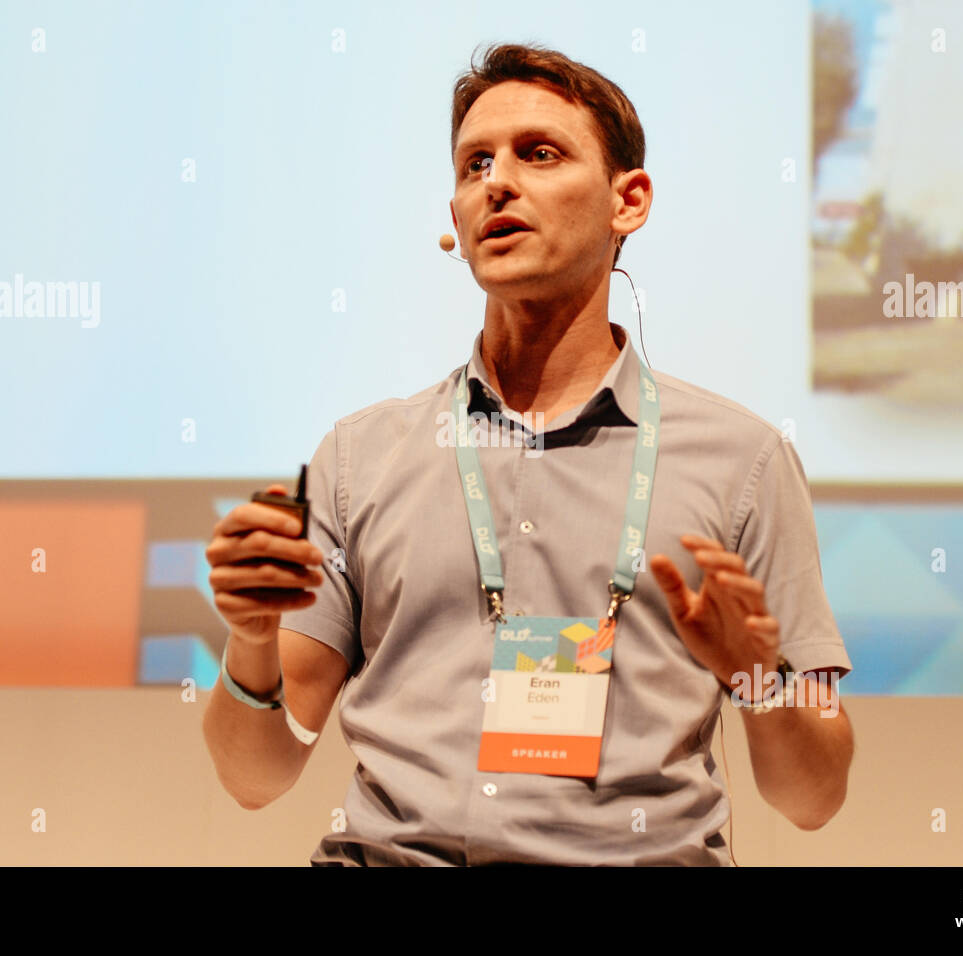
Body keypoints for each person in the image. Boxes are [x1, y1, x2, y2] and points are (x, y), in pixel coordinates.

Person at [202, 42, 853, 866]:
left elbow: (814, 798)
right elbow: (255, 777)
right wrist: (252, 637)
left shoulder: (743, 461)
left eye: (539, 155)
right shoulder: (359, 457)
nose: (497, 183)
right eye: (475, 164)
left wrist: (760, 678)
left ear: (630, 200)